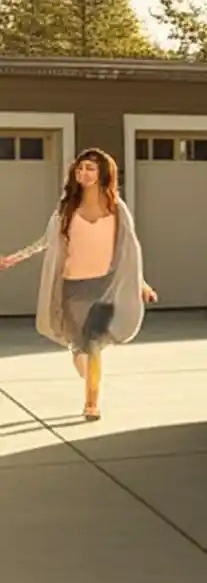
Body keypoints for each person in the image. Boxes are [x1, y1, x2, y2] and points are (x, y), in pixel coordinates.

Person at [0, 148, 158, 420]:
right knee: (79, 350)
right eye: (80, 168)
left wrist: (141, 282)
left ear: (103, 173)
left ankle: (91, 403)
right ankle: (91, 379)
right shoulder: (67, 208)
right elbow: (47, 241)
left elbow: (130, 249)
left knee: (93, 343)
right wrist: (15, 258)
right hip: (72, 288)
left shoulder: (117, 209)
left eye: (90, 169)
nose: (83, 173)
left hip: (106, 287)